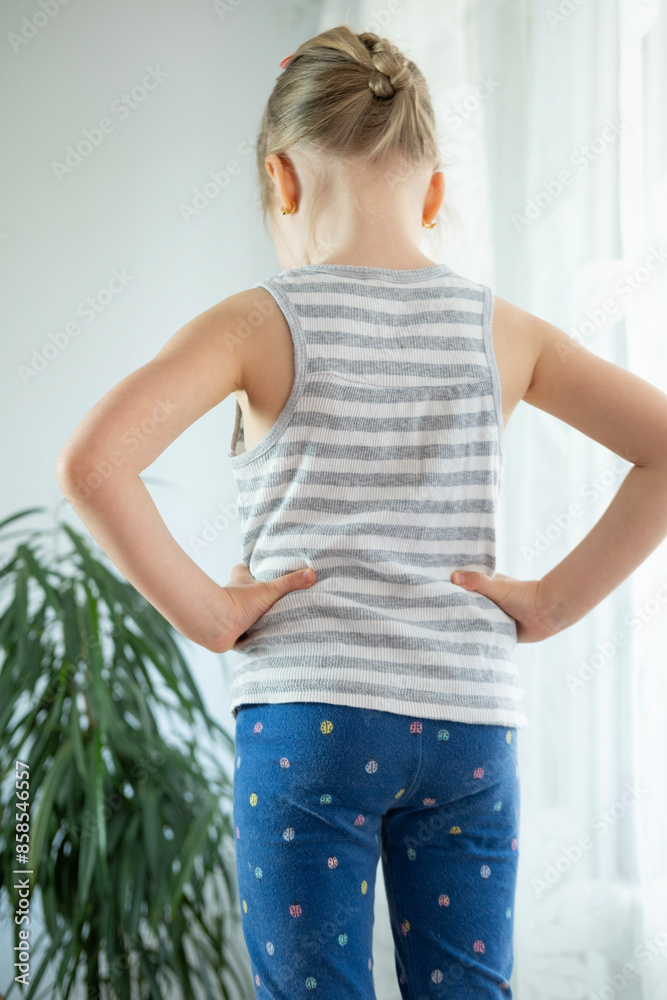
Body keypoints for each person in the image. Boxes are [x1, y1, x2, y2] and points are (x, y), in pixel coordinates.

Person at [55, 23, 667, 1000]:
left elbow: (92, 463)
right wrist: (548, 604)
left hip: (313, 719)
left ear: (281, 182)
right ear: (432, 190)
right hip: (468, 722)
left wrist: (212, 615)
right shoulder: (503, 330)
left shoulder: (259, 320)